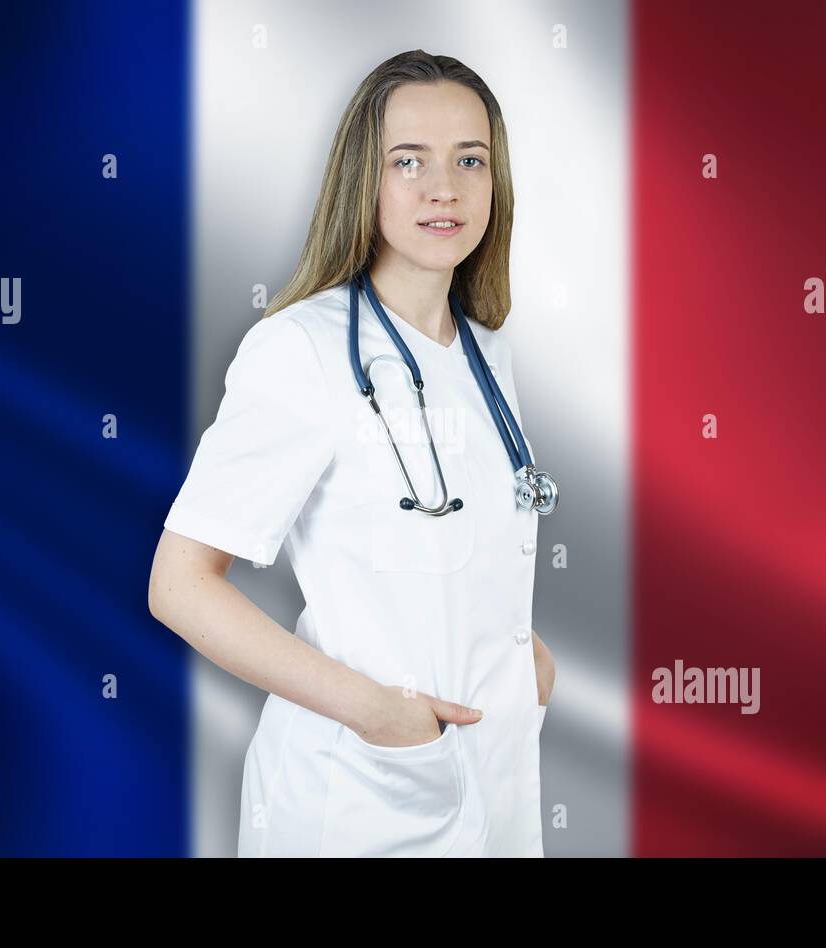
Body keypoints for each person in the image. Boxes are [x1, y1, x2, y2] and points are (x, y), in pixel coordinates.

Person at [148, 49, 555, 857]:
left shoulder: (487, 353)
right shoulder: (298, 348)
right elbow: (179, 586)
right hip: (363, 794)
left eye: (470, 160)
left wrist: (527, 662)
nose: (444, 187)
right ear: (363, 179)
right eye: (409, 161)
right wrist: (376, 713)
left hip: (495, 779)